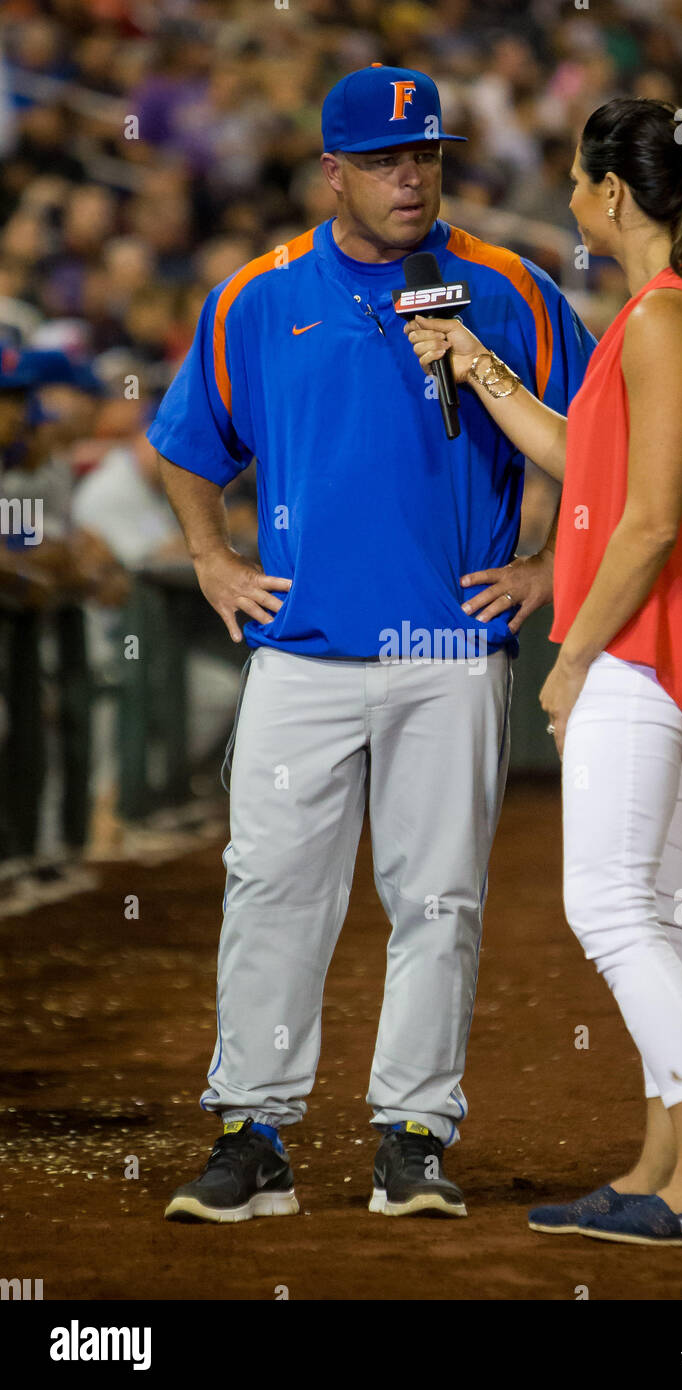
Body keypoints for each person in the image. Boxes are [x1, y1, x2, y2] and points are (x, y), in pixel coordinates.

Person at [149, 65, 595, 1223]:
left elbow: (597, 443)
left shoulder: (507, 287)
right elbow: (189, 444)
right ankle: (253, 1129)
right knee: (271, 892)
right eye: (388, 159)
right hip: (299, 646)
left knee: (436, 898)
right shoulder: (256, 295)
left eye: (427, 155)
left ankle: (412, 1133)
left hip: (450, 648)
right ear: (332, 170)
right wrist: (209, 555)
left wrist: (547, 562)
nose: (412, 176)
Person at [407, 96, 682, 1246]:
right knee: (659, 904)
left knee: (606, 904)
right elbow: (589, 462)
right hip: (670, 643)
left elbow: (646, 524)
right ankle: (669, 1161)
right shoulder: (676, 314)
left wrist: (568, 658)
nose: (564, 197)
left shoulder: (661, 320)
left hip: (641, 642)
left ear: (613, 195)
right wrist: (478, 365)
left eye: (574, 179)